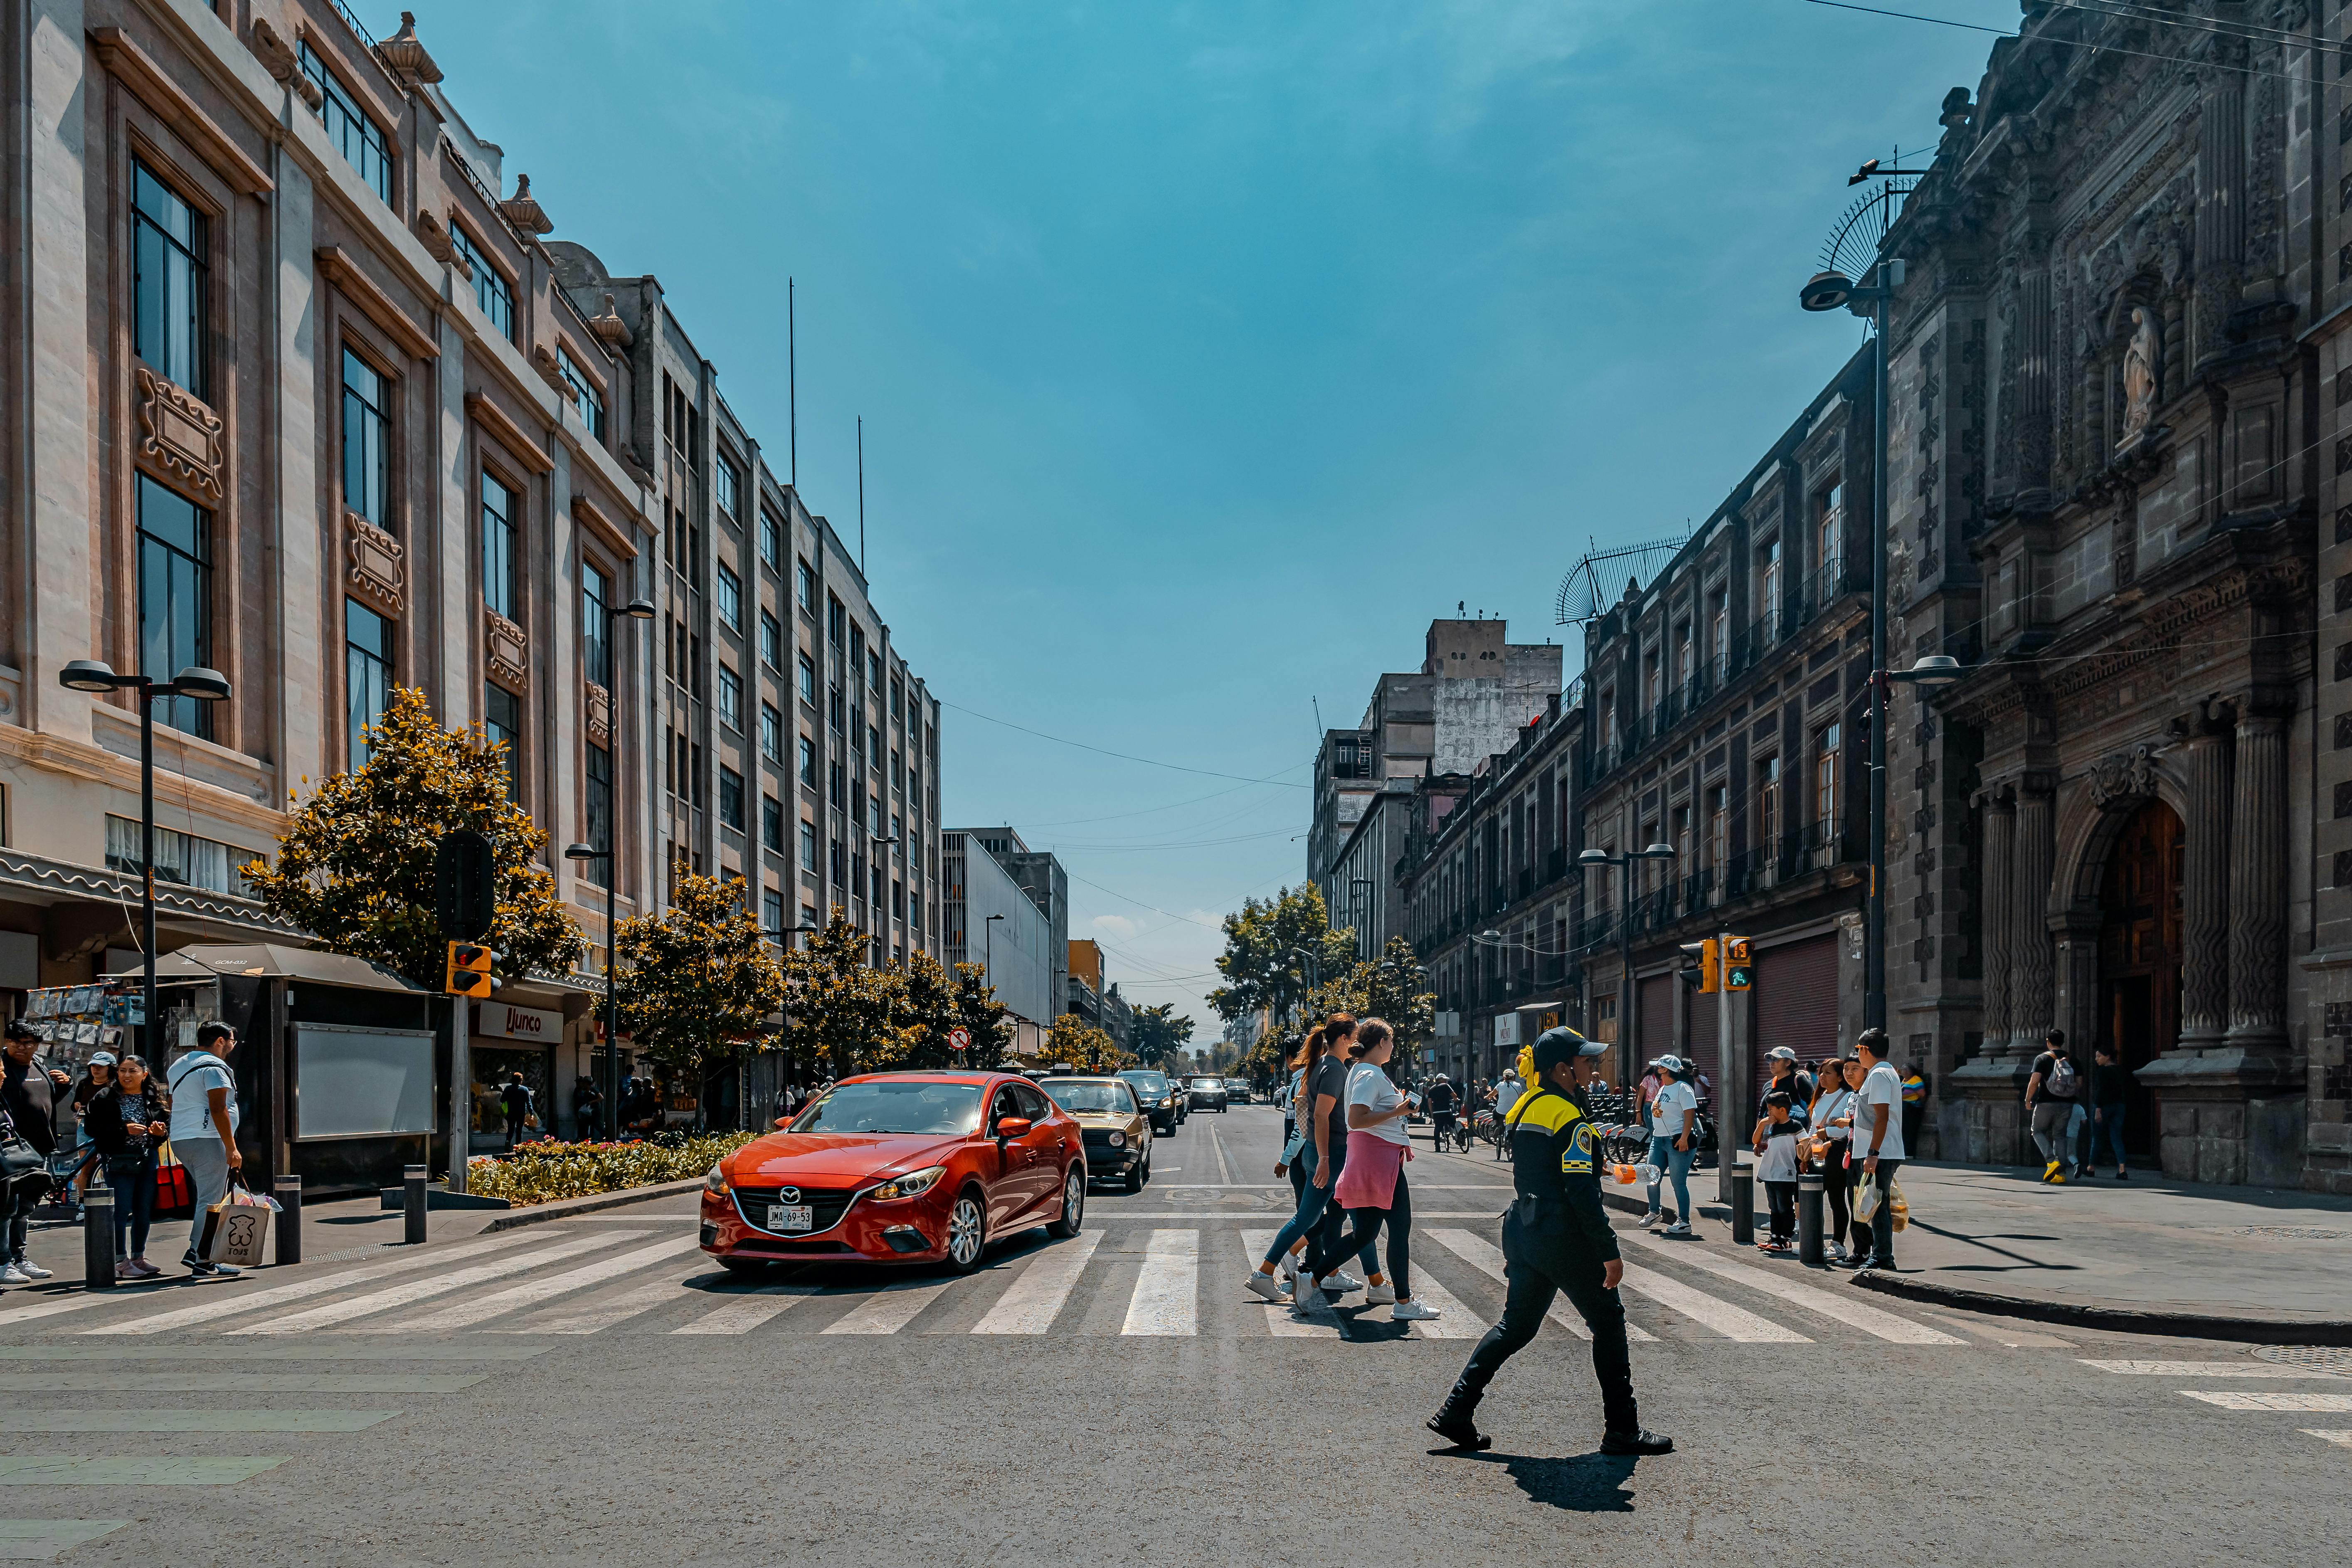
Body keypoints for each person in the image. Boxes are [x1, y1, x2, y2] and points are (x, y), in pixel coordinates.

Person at [1428, 1027, 1672, 1457]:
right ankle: (1623, 1429)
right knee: (1609, 1324)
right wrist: (1609, 1251)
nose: (1593, 1070)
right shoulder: (1568, 1116)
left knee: (1515, 1327)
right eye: (1587, 1063)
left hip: (1525, 1230)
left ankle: (1456, 1410)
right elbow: (1579, 1191)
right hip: (1563, 1237)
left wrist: (1620, 1173)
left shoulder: (1528, 1105)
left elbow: (1559, 1172)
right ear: (1563, 1069)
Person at [1304, 1020, 1438, 1321]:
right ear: (1381, 1042)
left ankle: (1311, 1278)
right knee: (1399, 1228)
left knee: (1365, 1233)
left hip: (1376, 1156)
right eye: (1391, 1040)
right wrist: (1400, 1110)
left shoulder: (1363, 1072)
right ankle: (1403, 1303)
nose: (1394, 1046)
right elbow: (1357, 1118)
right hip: (1379, 1159)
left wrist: (1396, 1111)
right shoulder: (1369, 1073)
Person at [1246, 1018, 1374, 1302]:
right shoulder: (1334, 1070)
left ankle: (1267, 1273)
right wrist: (1326, 1159)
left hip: (1321, 1153)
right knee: (1361, 1222)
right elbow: (1319, 1116)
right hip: (1331, 1154)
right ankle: (1377, 1284)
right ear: (1343, 1038)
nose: (1358, 1043)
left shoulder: (1322, 1066)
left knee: (1312, 1218)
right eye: (1355, 1037)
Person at [168, 1022, 244, 1278]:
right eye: (232, 1040)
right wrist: (231, 1148)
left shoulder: (179, 1064)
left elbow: (174, 1101)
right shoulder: (214, 1069)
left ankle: (196, 1251)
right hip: (208, 1140)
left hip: (182, 1139)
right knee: (211, 1202)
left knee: (207, 1198)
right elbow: (218, 1108)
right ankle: (203, 1259)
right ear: (221, 1041)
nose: (233, 1045)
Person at [85, 1053, 168, 1278]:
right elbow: (92, 1129)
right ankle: (120, 1261)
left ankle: (138, 1258)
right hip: (119, 1158)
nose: (127, 1075)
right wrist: (124, 1130)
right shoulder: (105, 1097)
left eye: (133, 1071)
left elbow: (163, 1129)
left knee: (143, 1210)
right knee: (121, 1210)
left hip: (146, 1157)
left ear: (145, 1074)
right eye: (123, 1071)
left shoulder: (152, 1097)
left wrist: (160, 1134)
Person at [1, 1022, 68, 1284]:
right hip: (9, 1150)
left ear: (38, 1045)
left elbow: (44, 1099)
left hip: (38, 1149)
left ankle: (19, 1258)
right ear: (7, 1041)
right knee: (7, 1207)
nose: (22, 1046)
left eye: (29, 1042)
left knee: (26, 1207)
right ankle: (4, 1260)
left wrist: (63, 1085)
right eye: (17, 1041)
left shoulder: (38, 1064)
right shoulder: (1, 1068)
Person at [1842, 1028, 1906, 1271]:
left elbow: (1882, 1116)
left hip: (1880, 1151)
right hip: (1878, 1150)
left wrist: (1873, 1153)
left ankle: (1882, 1257)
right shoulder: (1883, 1072)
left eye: (1859, 1050)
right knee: (1874, 1204)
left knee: (1877, 1206)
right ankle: (1879, 1255)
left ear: (1866, 1050)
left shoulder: (1879, 1074)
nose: (1858, 1055)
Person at [1808, 1059, 1858, 1262]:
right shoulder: (1820, 1099)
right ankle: (1814, 1241)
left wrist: (1826, 1133)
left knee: (1836, 1200)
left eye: (1828, 1073)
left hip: (1837, 1153)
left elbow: (1849, 1127)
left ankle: (1838, 1243)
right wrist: (1807, 1148)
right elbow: (1813, 1128)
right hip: (1817, 1153)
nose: (1822, 1077)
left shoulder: (1846, 1097)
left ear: (1839, 1078)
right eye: (1821, 1073)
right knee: (1811, 1198)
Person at [1644, 1055, 1699, 1235]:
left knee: (1678, 1183)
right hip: (1658, 1140)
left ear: (1665, 1070)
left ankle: (1684, 1221)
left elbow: (1690, 1114)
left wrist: (1684, 1138)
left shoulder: (1682, 1089)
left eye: (1658, 1066)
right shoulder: (1663, 1088)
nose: (1655, 1068)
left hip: (1676, 1140)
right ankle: (1654, 1212)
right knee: (1652, 1177)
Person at [1753, 1090, 1805, 1253]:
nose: (1768, 1113)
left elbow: (1805, 1142)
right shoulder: (1770, 1127)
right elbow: (1755, 1140)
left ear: (1782, 1110)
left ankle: (1785, 1239)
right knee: (1774, 1208)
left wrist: (1805, 1160)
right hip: (1769, 1172)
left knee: (1785, 1208)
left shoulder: (1795, 1126)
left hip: (1786, 1173)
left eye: (1771, 1109)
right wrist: (1762, 1124)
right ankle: (1775, 1236)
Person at [2025, 1028, 2077, 1184]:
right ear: (2063, 1042)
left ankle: (2051, 1161)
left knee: (2037, 1131)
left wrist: (2028, 1100)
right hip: (2067, 1103)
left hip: (2046, 1103)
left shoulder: (2042, 1059)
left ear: (2048, 1042)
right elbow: (2079, 1082)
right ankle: (2060, 1175)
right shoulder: (2071, 1059)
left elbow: (2034, 1081)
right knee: (2059, 1136)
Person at [2087, 1046, 2131, 1180]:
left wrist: (2098, 1109)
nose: (2096, 1059)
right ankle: (2122, 1169)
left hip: (2104, 1106)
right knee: (2117, 1137)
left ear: (2108, 1057)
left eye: (2099, 1056)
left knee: (2097, 1137)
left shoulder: (2103, 1071)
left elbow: (2101, 1091)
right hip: (2119, 1106)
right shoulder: (2121, 1071)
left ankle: (2091, 1167)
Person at [1758, 1047, 1815, 1118]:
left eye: (1776, 1060)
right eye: (1770, 1060)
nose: (1771, 1063)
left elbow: (1814, 1107)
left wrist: (1808, 1129)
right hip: (1770, 1129)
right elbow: (1761, 1115)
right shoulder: (1768, 1085)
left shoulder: (1799, 1081)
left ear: (1788, 1063)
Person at [498, 1072, 536, 1150]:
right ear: (521, 1081)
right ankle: (518, 1147)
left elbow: (502, 1100)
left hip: (511, 1112)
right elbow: (528, 1102)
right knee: (519, 1130)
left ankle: (508, 1141)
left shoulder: (508, 1089)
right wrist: (531, 1113)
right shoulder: (525, 1090)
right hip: (521, 1112)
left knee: (511, 1129)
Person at [1422, 1072, 1458, 1150]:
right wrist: (1456, 1099)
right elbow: (1454, 1095)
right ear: (1440, 1080)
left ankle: (1437, 1147)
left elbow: (1429, 1102)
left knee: (1438, 1129)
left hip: (1437, 1112)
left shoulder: (1432, 1089)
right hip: (1446, 1111)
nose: (1446, 1081)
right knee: (1454, 1125)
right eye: (1445, 1079)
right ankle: (1459, 1139)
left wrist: (1432, 1113)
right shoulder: (1446, 1086)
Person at [1900, 1062, 1929, 1155]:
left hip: (1912, 1108)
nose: (1904, 1072)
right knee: (1904, 1130)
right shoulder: (1904, 1080)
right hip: (1904, 1107)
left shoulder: (1916, 1081)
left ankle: (1909, 1152)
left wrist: (1918, 1104)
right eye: (1903, 1070)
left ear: (1911, 1071)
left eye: (1906, 1070)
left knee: (1910, 1130)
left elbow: (1923, 1095)